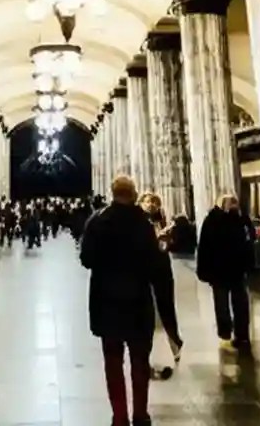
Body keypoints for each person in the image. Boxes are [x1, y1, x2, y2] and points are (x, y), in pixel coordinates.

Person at [80, 175, 165, 426]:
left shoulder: (98, 221)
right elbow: (154, 264)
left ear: (112, 193)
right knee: (140, 362)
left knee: (113, 363)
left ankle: (119, 416)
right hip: (138, 302)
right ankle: (140, 414)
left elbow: (86, 259)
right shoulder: (143, 223)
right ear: (134, 192)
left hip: (107, 303)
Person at [196, 193, 256, 349]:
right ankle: (225, 331)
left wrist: (249, 264)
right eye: (231, 203)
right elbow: (204, 246)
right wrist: (203, 269)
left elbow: (249, 241)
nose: (234, 205)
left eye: (235, 202)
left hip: (236, 269)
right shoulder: (213, 220)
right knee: (222, 303)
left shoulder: (242, 220)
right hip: (219, 270)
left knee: (240, 304)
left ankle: (241, 335)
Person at [140, 192, 182, 379]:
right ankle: (151, 352)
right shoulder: (139, 223)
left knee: (166, 308)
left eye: (154, 202)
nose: (151, 205)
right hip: (146, 271)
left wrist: (167, 239)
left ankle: (173, 344)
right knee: (150, 313)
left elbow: (167, 247)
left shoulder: (161, 220)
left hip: (163, 270)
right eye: (148, 201)